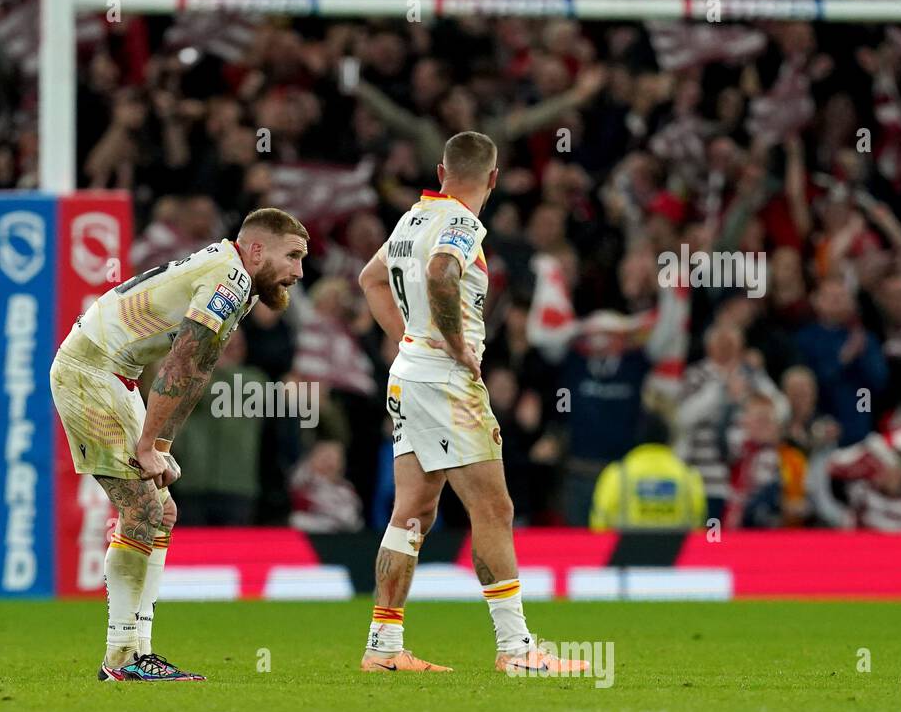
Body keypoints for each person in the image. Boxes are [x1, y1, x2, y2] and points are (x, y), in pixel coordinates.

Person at [356, 131, 588, 675]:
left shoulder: (411, 218)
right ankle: (516, 650)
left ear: (440, 170)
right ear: (494, 178)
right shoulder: (461, 223)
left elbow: (370, 281)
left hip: (409, 374)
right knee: (495, 509)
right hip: (444, 380)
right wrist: (456, 345)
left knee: (411, 512)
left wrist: (409, 338)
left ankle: (383, 647)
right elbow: (441, 272)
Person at [50, 207, 308, 681]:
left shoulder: (235, 280)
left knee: (161, 512)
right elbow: (182, 365)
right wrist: (149, 443)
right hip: (90, 373)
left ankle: (139, 651)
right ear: (255, 250)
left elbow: (196, 371)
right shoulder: (229, 279)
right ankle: (123, 657)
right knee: (143, 511)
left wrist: (160, 443)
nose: (298, 271)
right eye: (292, 256)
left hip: (116, 377)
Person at [590, 414, 707, 531]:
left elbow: (599, 523)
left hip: (626, 548)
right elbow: (699, 522)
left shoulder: (617, 474)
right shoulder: (688, 475)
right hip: (678, 548)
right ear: (668, 438)